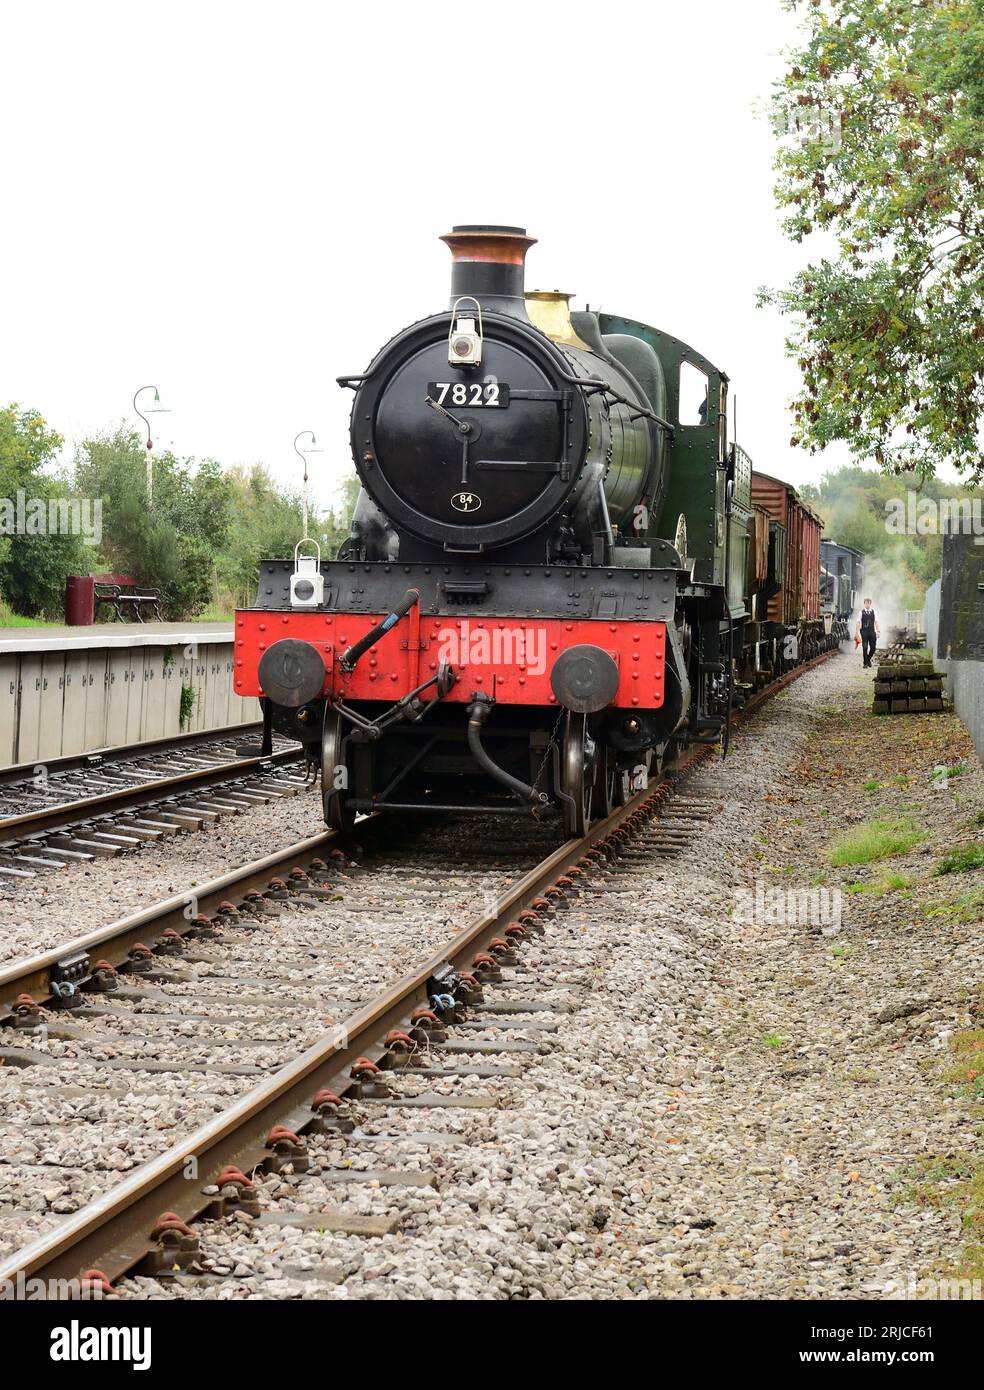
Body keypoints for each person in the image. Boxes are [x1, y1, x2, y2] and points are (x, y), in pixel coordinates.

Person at [855, 597, 880, 669]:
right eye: (866, 603)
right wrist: (857, 633)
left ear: (870, 604)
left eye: (868, 603)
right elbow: (858, 623)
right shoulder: (861, 612)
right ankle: (865, 663)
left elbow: (877, 622)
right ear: (864, 604)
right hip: (864, 632)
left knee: (873, 648)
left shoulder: (874, 612)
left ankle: (868, 659)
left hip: (872, 632)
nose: (867, 605)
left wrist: (878, 631)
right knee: (865, 647)